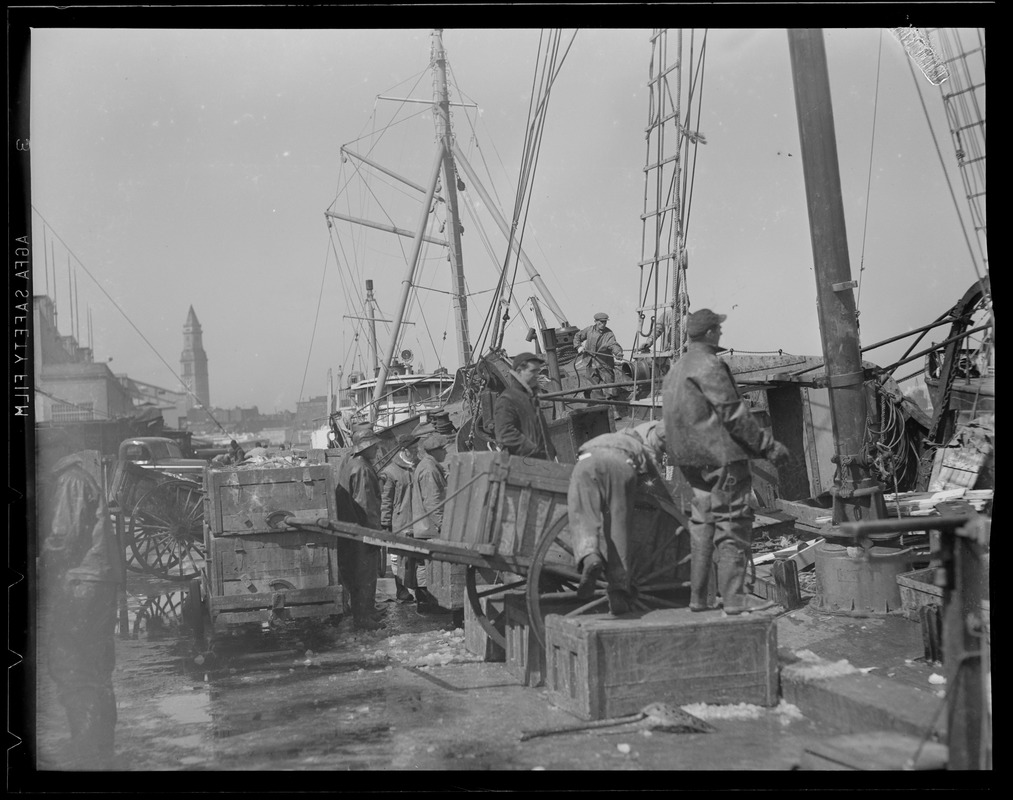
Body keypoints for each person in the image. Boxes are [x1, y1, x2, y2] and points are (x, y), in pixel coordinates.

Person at [662, 308, 790, 615]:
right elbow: (733, 413)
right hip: (721, 461)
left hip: (690, 464)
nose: (721, 333)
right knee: (732, 525)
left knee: (703, 525)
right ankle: (734, 600)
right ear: (708, 333)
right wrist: (768, 446)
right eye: (718, 329)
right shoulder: (710, 365)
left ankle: (699, 598)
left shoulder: (675, 369)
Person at [41, 450, 124, 770]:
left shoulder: (70, 481)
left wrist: (35, 565)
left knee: (73, 665)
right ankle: (101, 748)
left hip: (82, 584)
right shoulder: (77, 478)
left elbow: (64, 538)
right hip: (95, 582)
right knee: (96, 668)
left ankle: (88, 752)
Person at [569, 420, 669, 615]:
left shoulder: (605, 437)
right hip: (622, 464)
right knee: (618, 526)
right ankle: (618, 588)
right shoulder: (640, 446)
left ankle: (589, 555)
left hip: (587, 460)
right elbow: (653, 486)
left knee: (583, 511)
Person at [333, 426, 387, 630]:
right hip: (362, 531)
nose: (377, 449)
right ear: (367, 447)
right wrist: (375, 534)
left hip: (351, 530)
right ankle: (363, 617)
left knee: (358, 573)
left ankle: (367, 611)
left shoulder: (352, 464)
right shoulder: (362, 468)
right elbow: (367, 506)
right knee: (365, 574)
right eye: (374, 446)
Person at [409, 425, 450, 610]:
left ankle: (426, 601)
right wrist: (443, 526)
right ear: (436, 451)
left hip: (426, 527)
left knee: (426, 566)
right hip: (428, 528)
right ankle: (426, 602)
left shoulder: (429, 466)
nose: (446, 452)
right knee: (426, 567)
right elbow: (433, 503)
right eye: (444, 449)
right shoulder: (429, 470)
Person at [493, 352, 557, 460]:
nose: (537, 375)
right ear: (519, 372)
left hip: (541, 461)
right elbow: (504, 434)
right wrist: (534, 450)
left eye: (538, 371)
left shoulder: (528, 397)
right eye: (532, 371)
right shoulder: (508, 399)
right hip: (525, 464)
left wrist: (550, 451)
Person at [379, 432, 419, 604]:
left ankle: (418, 591)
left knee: (417, 558)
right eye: (414, 448)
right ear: (404, 450)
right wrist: (385, 523)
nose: (417, 451)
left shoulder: (419, 466)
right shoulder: (390, 472)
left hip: (419, 520)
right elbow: (386, 500)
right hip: (400, 521)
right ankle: (401, 590)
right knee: (397, 558)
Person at [573, 312, 625, 399]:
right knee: (593, 384)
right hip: (590, 362)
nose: (603, 324)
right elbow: (577, 336)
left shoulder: (609, 334)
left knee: (610, 385)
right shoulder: (589, 330)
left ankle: (613, 403)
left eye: (605, 322)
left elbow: (613, 345)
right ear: (596, 321)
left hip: (604, 363)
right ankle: (597, 402)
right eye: (601, 322)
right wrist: (578, 346)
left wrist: (618, 353)